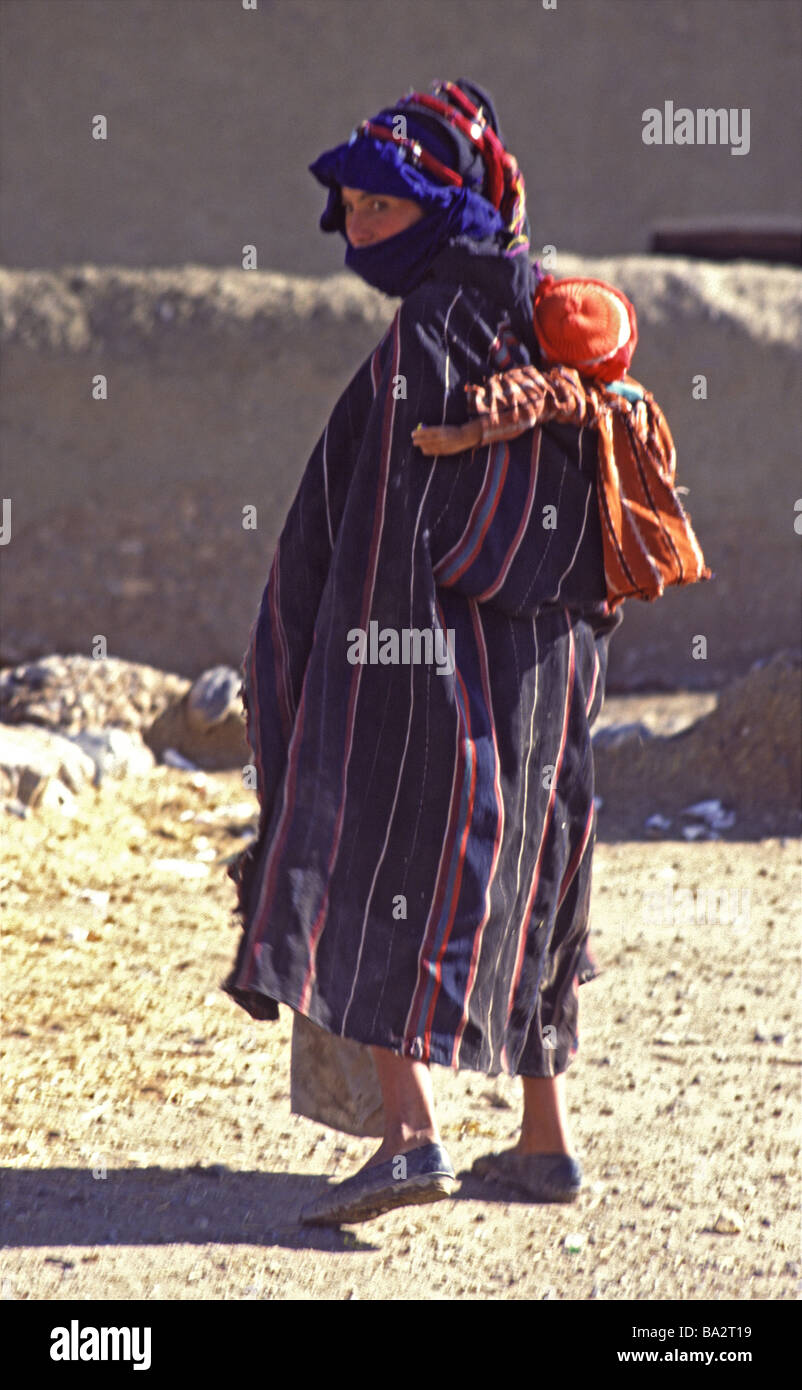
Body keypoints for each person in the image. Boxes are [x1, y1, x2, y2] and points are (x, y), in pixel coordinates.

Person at [223, 78, 625, 1226]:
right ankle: (544, 1142)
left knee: (376, 856)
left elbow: (393, 528)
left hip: (428, 671)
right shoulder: (550, 316)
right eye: (349, 205)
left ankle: (412, 1136)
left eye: (384, 205)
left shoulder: (435, 327)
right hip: (545, 682)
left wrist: (333, 681)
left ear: (448, 203)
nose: (357, 227)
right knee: (534, 876)